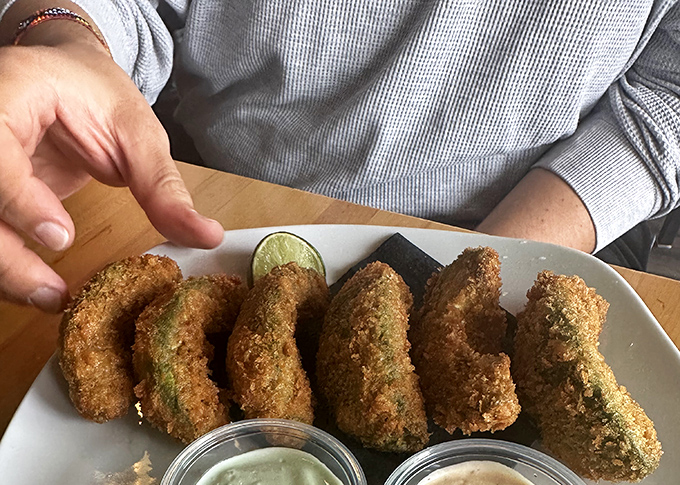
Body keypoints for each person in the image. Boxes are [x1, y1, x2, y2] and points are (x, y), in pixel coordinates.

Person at [0, 0, 679, 312]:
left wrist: (470, 277)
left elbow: (666, 90)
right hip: (227, 192)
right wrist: (61, 35)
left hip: (547, 214)